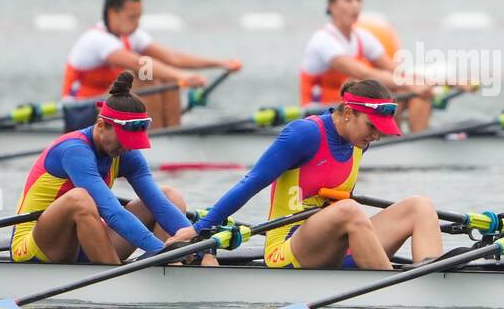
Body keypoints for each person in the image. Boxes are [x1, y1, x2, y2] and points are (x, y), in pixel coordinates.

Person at [176, 79, 442, 269]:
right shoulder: (304, 134)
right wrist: (200, 228)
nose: (376, 135)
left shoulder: (360, 141)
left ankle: (432, 282)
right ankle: (397, 295)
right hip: (289, 249)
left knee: (421, 206)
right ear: (348, 112)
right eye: (372, 126)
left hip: (339, 245)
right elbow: (252, 182)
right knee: (349, 209)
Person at [10, 72, 195, 265]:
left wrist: (200, 244)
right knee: (79, 198)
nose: (127, 147)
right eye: (123, 140)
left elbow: (159, 205)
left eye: (132, 142)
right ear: (100, 125)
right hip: (36, 247)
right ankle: (123, 278)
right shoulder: (75, 151)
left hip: (87, 242)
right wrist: (162, 250)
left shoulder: (125, 153)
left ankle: (168, 269)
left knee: (169, 196)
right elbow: (114, 213)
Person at [61, 0, 239, 129]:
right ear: (112, 13)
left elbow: (173, 57)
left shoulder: (131, 35)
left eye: (139, 16)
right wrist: (183, 77)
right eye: (132, 17)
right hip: (80, 113)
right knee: (143, 75)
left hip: (106, 109)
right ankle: (153, 139)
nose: (136, 23)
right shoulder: (96, 39)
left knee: (167, 80)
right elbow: (141, 64)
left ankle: (170, 131)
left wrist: (221, 63)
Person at [299, 0, 437, 132]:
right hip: (322, 118)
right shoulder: (323, 40)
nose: (355, 6)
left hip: (353, 112)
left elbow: (398, 71)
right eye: (348, 0)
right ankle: (401, 139)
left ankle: (411, 141)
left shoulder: (362, 37)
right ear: (331, 5)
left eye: (358, 0)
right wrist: (412, 84)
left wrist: (447, 82)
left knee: (411, 94)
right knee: (404, 90)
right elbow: (364, 73)